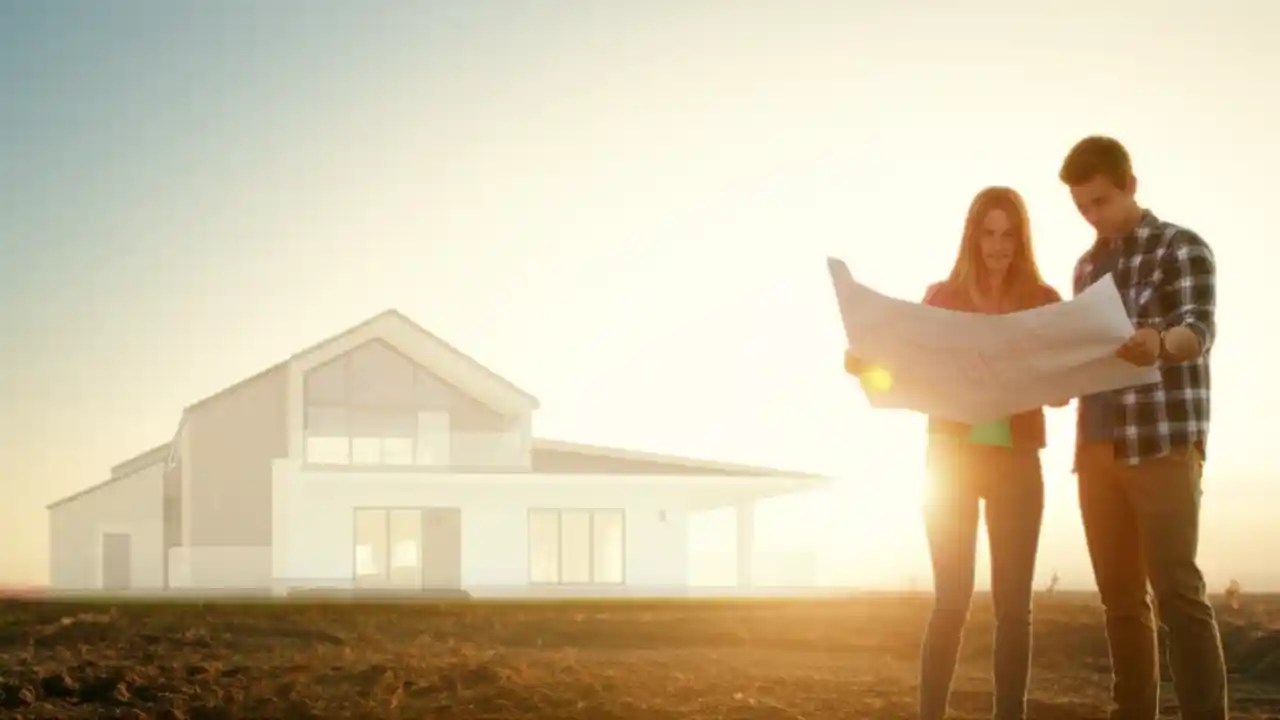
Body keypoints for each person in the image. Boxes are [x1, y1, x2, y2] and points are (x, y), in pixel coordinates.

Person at [844, 186, 1063, 720]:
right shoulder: (939, 299)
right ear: (972, 236)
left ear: (1022, 237)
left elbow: (1062, 391)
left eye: (1008, 233)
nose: (997, 245)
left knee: (1015, 611)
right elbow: (906, 374)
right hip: (950, 466)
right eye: (988, 233)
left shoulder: (1043, 300)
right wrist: (864, 367)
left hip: (1016, 464)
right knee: (951, 603)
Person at [1059, 135, 1227, 720]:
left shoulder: (1182, 248)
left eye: (1101, 201)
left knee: (1178, 595)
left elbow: (1196, 330)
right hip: (1096, 448)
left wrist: (1159, 342)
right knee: (1121, 604)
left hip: (1160, 442)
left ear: (1130, 185)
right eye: (1082, 207)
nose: (1093, 217)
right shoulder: (1084, 266)